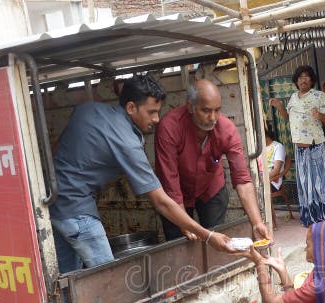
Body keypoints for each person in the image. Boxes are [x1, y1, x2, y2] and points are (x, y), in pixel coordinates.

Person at [49, 74, 235, 274]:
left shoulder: (86, 109)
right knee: (106, 279)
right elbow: (161, 201)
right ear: (131, 108)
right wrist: (207, 235)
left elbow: (57, 148)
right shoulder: (127, 142)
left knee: (68, 279)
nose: (156, 119)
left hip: (54, 208)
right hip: (78, 213)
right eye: (152, 112)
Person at [155, 79, 269, 242]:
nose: (213, 117)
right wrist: (185, 223)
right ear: (190, 107)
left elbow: (242, 179)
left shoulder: (227, 128)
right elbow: (170, 184)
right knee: (179, 242)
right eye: (206, 110)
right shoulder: (169, 127)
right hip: (176, 195)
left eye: (217, 110)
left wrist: (257, 223)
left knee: (215, 240)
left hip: (211, 190)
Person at [269, 66, 325, 227]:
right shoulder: (293, 97)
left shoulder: (318, 95)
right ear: (296, 81)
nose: (303, 80)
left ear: (311, 80)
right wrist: (279, 106)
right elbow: (288, 117)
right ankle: (309, 217)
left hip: (315, 147)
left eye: (306, 77)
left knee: (320, 183)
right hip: (299, 150)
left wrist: (319, 115)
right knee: (305, 184)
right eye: (300, 77)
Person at [263, 128, 287, 192]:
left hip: (272, 182)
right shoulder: (260, 148)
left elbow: (276, 171)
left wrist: (260, 179)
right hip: (262, 180)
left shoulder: (278, 146)